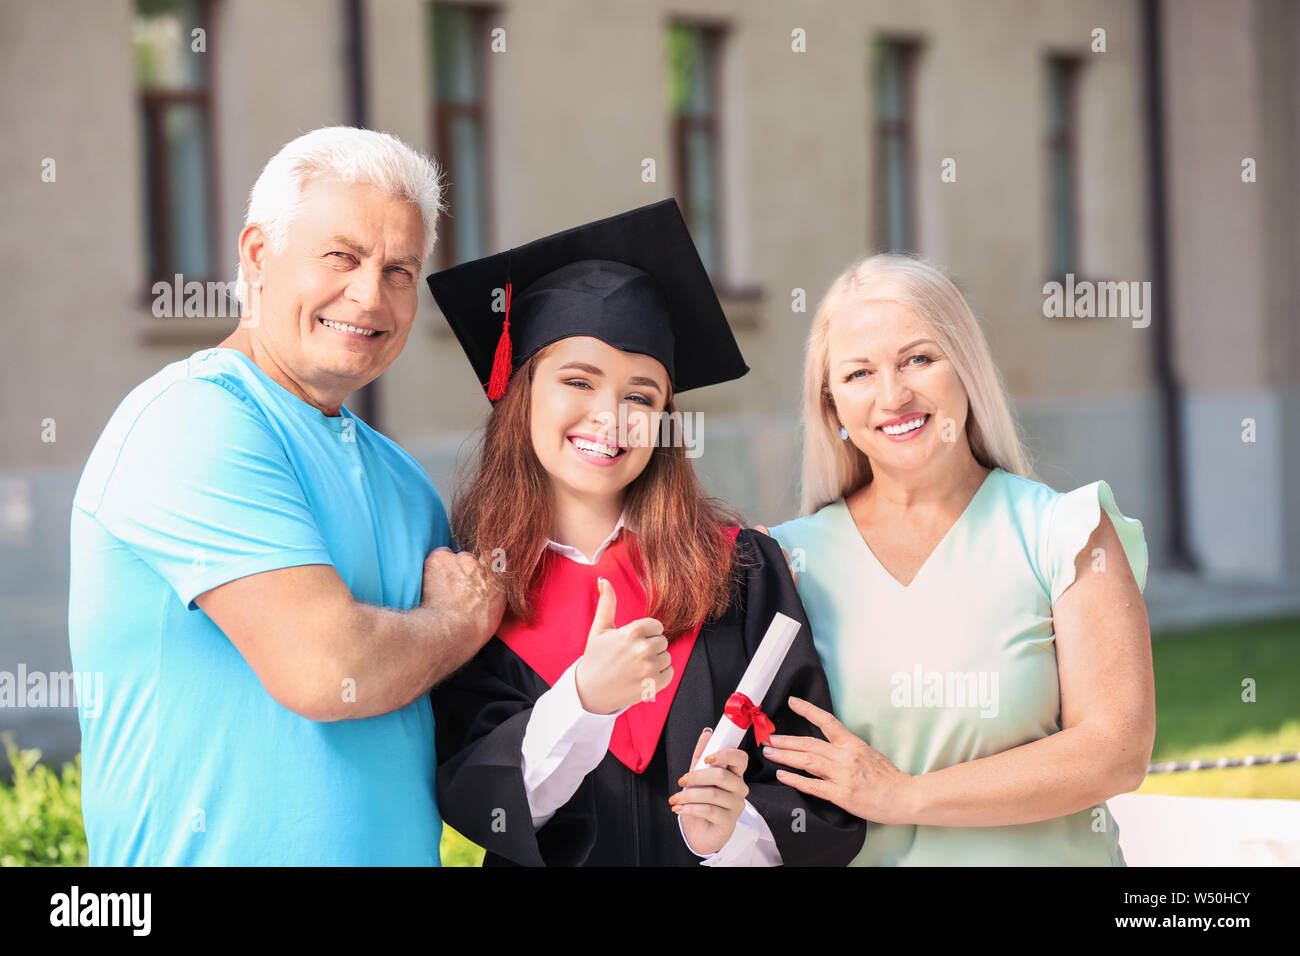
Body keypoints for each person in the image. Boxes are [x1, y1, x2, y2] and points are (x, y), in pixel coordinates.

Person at [68, 127, 504, 865]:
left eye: (400, 270)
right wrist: (459, 622)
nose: (370, 295)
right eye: (341, 255)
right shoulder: (192, 421)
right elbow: (329, 669)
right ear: (258, 256)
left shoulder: (403, 481)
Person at [426, 200, 866, 866]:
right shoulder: (472, 590)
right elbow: (478, 799)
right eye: (578, 380)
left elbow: (817, 796)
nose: (610, 416)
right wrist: (582, 701)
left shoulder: (741, 572)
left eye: (641, 395)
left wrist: (734, 831)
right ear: (522, 392)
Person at [764, 253, 1155, 866]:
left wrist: (906, 796)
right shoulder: (784, 562)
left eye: (918, 358)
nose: (892, 395)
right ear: (832, 404)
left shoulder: (1066, 532)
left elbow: (1117, 751)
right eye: (859, 373)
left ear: (966, 369)